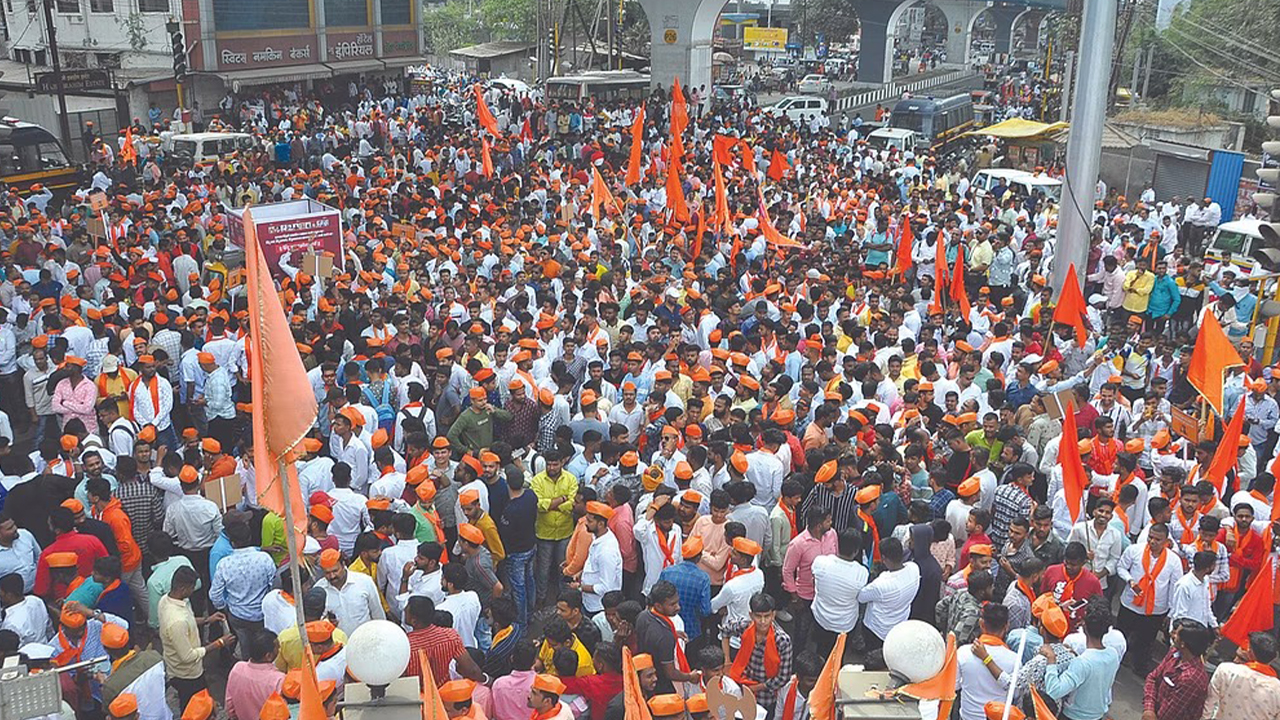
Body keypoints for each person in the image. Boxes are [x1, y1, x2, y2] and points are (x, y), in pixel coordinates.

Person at [157, 566, 233, 708]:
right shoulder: (176, 622)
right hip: (186, 674)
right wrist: (218, 643)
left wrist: (206, 620)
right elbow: (187, 656)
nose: (193, 591)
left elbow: (188, 621)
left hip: (184, 667)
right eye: (192, 587)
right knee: (193, 707)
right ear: (182, 588)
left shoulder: (165, 601)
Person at [1116, 523, 1182, 674]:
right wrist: (1130, 580)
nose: (1153, 542)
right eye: (1150, 537)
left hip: (1155, 609)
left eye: (1158, 539)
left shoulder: (1173, 560)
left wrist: (1171, 612)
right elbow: (1121, 567)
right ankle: (1118, 658)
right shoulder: (1134, 550)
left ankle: (1140, 666)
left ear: (1166, 541)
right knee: (1121, 634)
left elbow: (1174, 587)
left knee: (1146, 641)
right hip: (1130, 604)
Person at [1042, 604, 1122, 720]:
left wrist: (1051, 659)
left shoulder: (1082, 662)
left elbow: (1054, 691)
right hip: (1098, 715)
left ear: (1084, 625)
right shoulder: (1113, 654)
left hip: (1073, 716)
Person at [957, 603, 1019, 720]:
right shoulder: (1014, 660)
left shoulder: (963, 653)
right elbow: (1015, 693)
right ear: (1007, 626)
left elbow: (954, 686)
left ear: (981, 624)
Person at [1142, 619, 1212, 720]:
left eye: (1176, 634)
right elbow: (1152, 678)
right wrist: (1149, 709)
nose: (1172, 635)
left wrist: (1150, 714)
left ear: (1183, 643)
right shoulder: (1174, 653)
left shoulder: (1191, 679)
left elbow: (1170, 715)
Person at [1203, 632, 1280, 720]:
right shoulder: (1277, 689)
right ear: (1272, 659)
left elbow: (1208, 707)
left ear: (1250, 653)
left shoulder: (1226, 670)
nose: (1236, 660)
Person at [223, 630, 285, 720]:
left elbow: (229, 704)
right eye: (277, 648)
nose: (279, 650)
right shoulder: (278, 680)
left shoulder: (237, 668)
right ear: (268, 656)